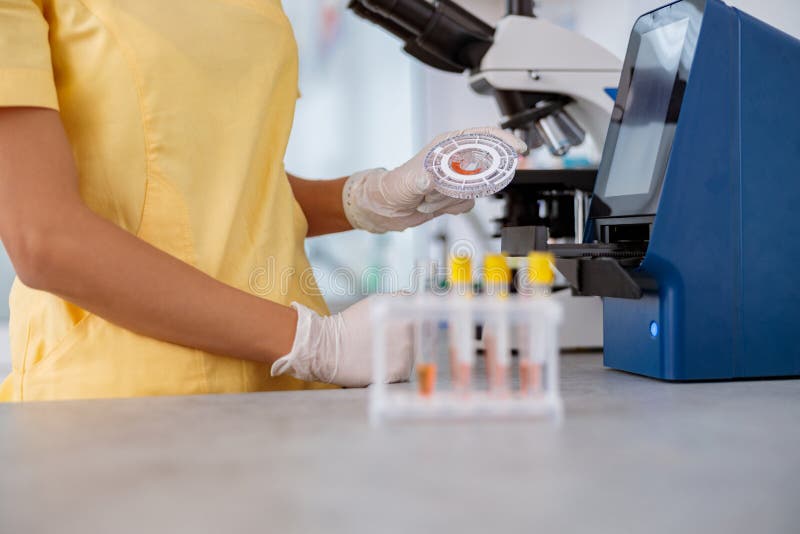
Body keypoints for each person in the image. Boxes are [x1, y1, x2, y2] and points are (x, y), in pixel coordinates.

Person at [0, 1, 525, 401]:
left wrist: (367, 199)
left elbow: (216, 184)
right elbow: (45, 239)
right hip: (122, 401)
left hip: (284, 391)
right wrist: (319, 344)